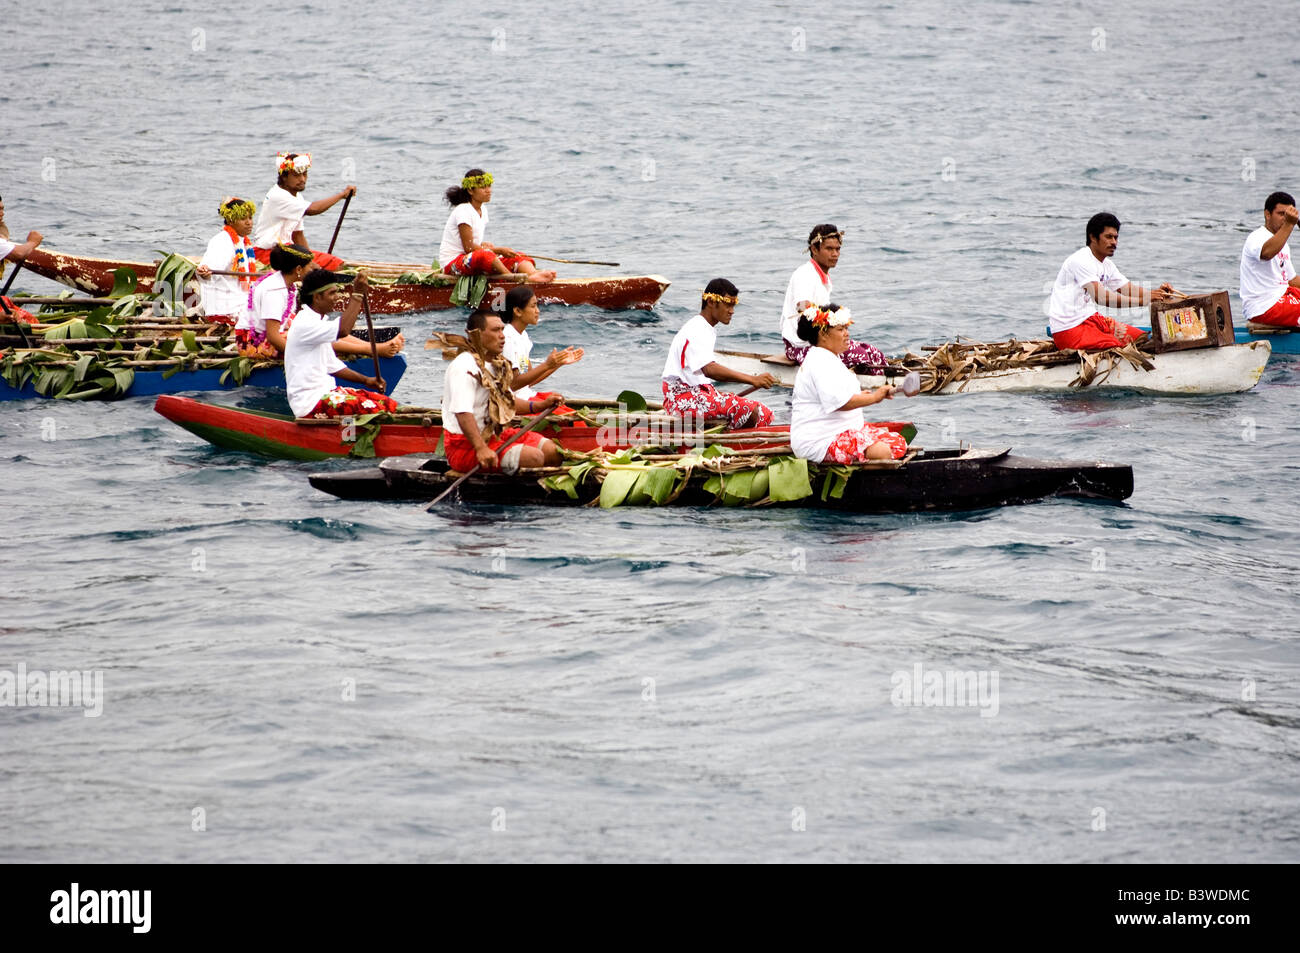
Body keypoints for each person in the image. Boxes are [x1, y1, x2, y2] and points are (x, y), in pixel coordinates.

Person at [438, 310, 564, 473]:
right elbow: (463, 412)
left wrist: (540, 405)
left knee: (554, 452)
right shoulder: (465, 366)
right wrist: (481, 448)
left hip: (496, 433)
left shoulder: (508, 353)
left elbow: (508, 399)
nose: (502, 335)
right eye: (496, 330)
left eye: (502, 330)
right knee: (535, 458)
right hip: (464, 445)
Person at [790, 304, 907, 464]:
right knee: (882, 452)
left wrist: (863, 396)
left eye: (846, 328)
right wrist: (874, 397)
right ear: (823, 334)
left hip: (842, 432)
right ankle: (859, 485)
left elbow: (841, 395)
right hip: (820, 441)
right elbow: (839, 403)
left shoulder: (830, 357)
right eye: (841, 329)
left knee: (898, 443)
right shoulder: (820, 362)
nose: (847, 334)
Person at [1047, 212, 1175, 350]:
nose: (1114, 242)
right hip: (1069, 330)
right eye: (1108, 237)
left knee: (1141, 338)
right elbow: (1102, 298)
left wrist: (1157, 294)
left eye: (1116, 237)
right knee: (1116, 348)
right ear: (1093, 237)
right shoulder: (1081, 260)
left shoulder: (1107, 265)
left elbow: (1127, 289)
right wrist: (1144, 300)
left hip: (1092, 320)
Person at [661, 278, 777, 430]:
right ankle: (735, 441)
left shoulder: (705, 327)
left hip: (697, 392)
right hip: (680, 399)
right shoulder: (697, 328)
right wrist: (752, 379)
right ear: (710, 302)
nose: (732, 311)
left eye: (733, 305)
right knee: (750, 411)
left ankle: (732, 436)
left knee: (763, 412)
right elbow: (710, 370)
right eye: (728, 304)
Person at [284, 269, 397, 419]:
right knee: (377, 410)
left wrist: (366, 380)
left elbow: (332, 365)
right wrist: (357, 295)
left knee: (387, 404)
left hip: (329, 393)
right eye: (332, 293)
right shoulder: (305, 323)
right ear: (317, 297)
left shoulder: (319, 321)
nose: (337, 298)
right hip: (310, 403)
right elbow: (343, 330)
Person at [780, 223, 887, 371]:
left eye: (837, 249)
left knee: (874, 353)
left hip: (819, 341)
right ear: (814, 249)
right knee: (862, 356)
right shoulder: (805, 274)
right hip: (799, 345)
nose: (835, 254)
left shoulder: (823, 277)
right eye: (829, 249)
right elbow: (803, 310)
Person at [438, 169, 555, 283]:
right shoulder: (463, 211)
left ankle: (533, 275)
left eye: (489, 186)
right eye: (483, 187)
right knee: (486, 255)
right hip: (452, 264)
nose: (489, 190)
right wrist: (497, 250)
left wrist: (484, 245)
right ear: (470, 190)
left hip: (470, 259)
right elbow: (468, 248)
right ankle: (514, 280)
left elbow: (472, 244)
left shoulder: (482, 209)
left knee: (517, 256)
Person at [251, 152, 355, 270]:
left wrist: (310, 260)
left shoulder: (297, 197)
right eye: (296, 175)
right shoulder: (278, 196)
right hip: (268, 254)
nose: (302, 179)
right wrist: (342, 195)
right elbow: (313, 209)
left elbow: (298, 236)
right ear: (284, 177)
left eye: (305, 174)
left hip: (286, 251)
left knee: (333, 264)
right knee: (336, 265)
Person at [500, 285, 583, 410]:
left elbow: (529, 380)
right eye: (533, 306)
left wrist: (557, 363)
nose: (537, 311)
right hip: (515, 404)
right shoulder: (508, 339)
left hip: (527, 396)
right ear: (517, 311)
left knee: (569, 412)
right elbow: (513, 384)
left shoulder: (523, 337)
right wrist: (547, 365)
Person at [237, 243, 315, 358]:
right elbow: (273, 337)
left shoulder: (286, 283)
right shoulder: (275, 291)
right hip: (253, 343)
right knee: (317, 339)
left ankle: (351, 346)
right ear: (298, 269)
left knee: (318, 332)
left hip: (268, 336)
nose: (312, 270)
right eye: (310, 266)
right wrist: (300, 357)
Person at [1239, 190, 1300, 327]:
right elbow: (1267, 253)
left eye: (1288, 215)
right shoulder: (1256, 237)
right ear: (1267, 214)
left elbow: (1291, 280)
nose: (1285, 218)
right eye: (1281, 214)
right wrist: (1290, 224)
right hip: (1263, 306)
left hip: (1282, 297)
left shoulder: (1283, 244)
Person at [195, 197, 259, 322]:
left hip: (240, 302)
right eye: (243, 218)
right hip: (224, 309)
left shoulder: (244, 242)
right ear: (230, 220)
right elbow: (207, 273)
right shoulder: (221, 242)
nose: (249, 222)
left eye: (250, 218)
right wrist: (204, 273)